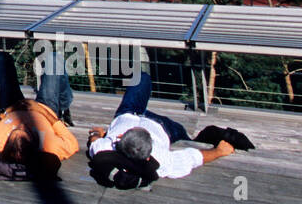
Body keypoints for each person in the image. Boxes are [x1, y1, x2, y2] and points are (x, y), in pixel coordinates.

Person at [87, 71, 234, 181]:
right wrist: (218, 152)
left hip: (128, 112)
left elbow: (94, 142)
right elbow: (193, 157)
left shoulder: (105, 148)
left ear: (120, 137)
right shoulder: (161, 160)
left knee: (141, 77)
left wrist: (97, 133)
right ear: (150, 143)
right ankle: (188, 136)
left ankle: (144, 110)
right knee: (182, 132)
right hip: (162, 126)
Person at [0, 51, 79, 180]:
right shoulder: (49, 147)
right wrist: (49, 116)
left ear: (7, 143)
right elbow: (72, 143)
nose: (21, 125)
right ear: (34, 141)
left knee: (1, 58)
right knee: (54, 58)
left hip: (11, 109)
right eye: (26, 131)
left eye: (15, 130)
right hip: (44, 109)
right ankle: (63, 108)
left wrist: (3, 114)